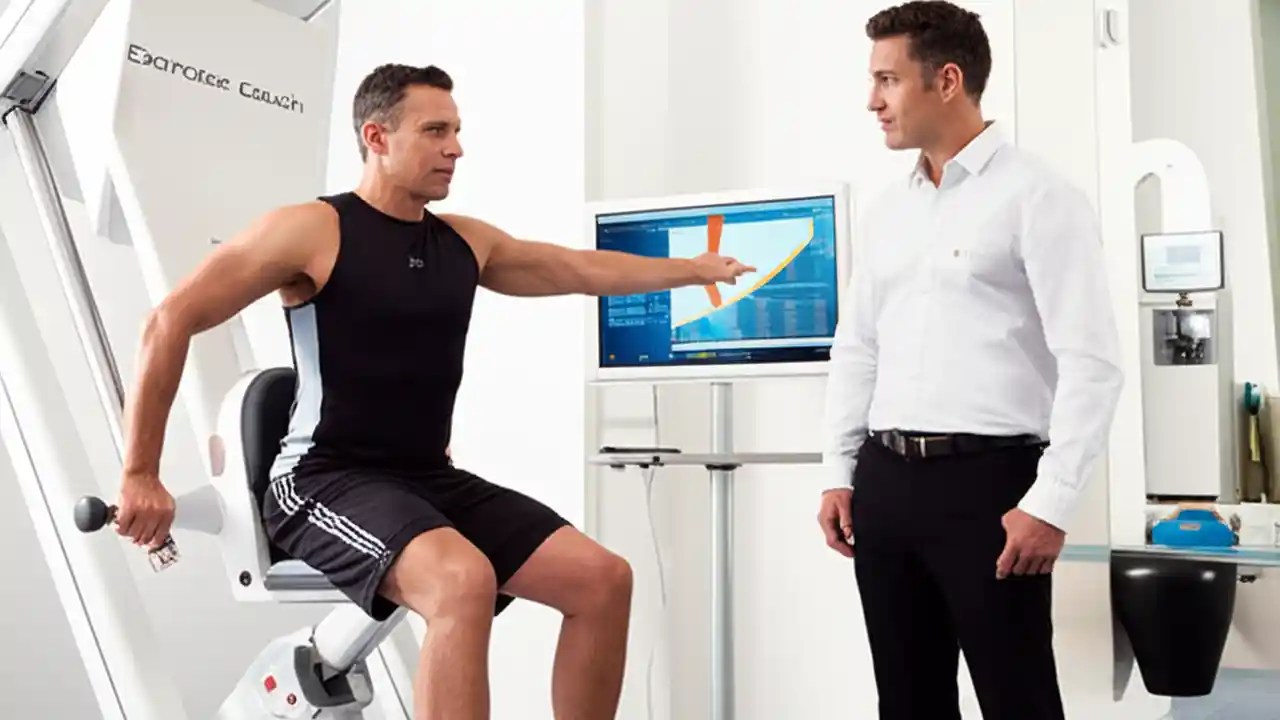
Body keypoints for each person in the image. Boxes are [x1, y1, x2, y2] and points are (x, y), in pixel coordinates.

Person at [111, 63, 753, 720]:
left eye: (457, 131)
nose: (456, 148)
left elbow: (577, 268)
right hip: (322, 480)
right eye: (436, 131)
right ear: (377, 137)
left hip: (425, 479)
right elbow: (168, 321)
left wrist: (692, 270)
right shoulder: (312, 230)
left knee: (602, 580)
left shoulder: (464, 242)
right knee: (460, 582)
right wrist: (140, 473)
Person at [816, 2, 1124, 718]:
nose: (872, 101)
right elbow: (857, 348)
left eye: (888, 80)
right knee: (907, 701)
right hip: (885, 484)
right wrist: (839, 471)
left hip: (990, 489)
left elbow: (1092, 363)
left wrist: (1050, 503)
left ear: (947, 80)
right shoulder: (888, 211)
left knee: (1018, 700)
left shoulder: (1040, 197)